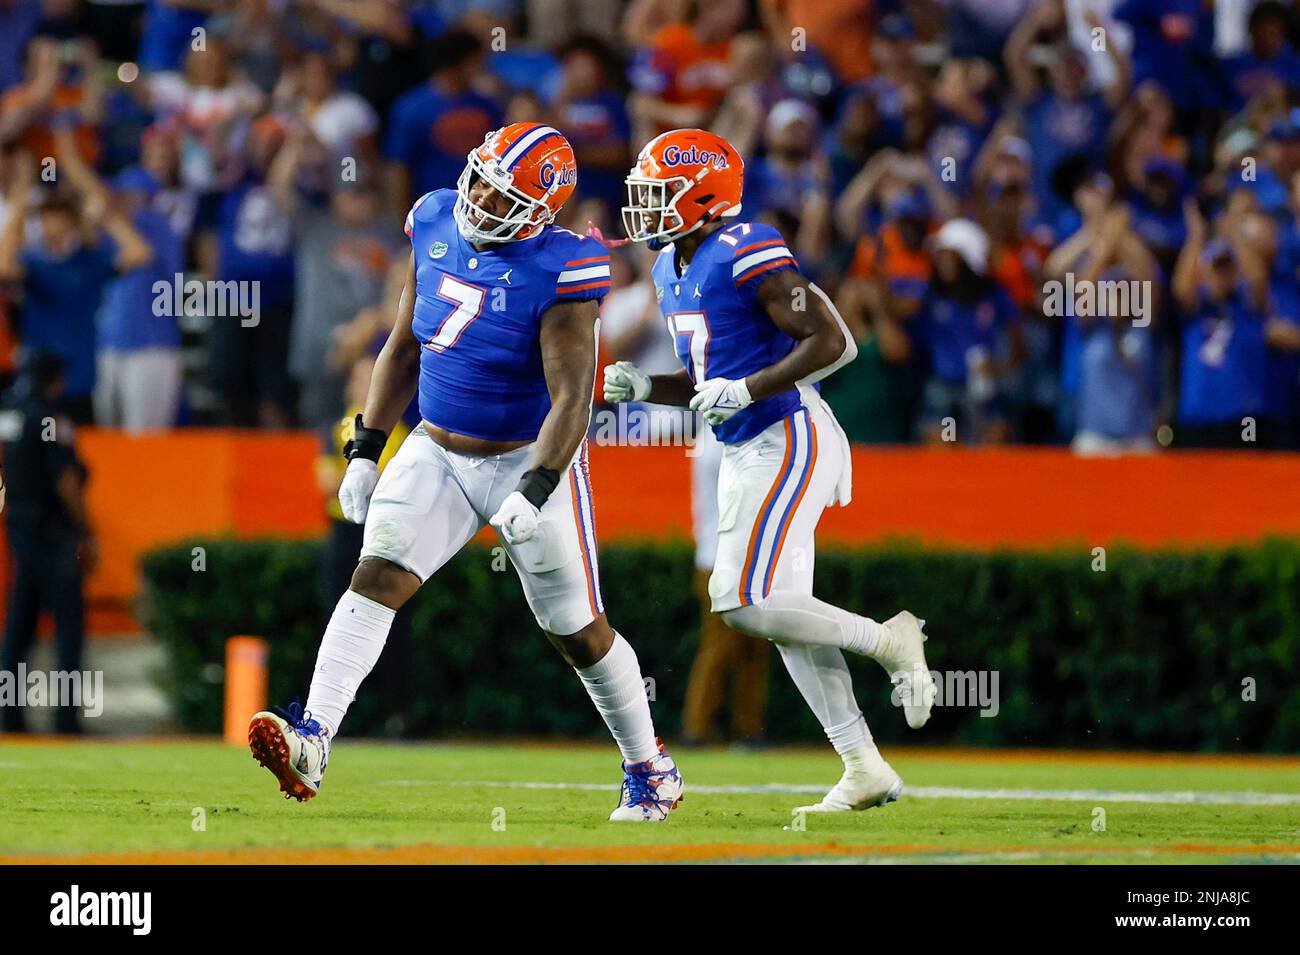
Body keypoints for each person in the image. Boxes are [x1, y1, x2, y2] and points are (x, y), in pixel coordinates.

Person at [249, 123, 684, 822]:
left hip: (528, 454)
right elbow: (402, 346)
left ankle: (649, 766)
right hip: (436, 449)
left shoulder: (562, 268)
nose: (481, 196)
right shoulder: (431, 219)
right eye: (480, 177)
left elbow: (574, 397)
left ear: (542, 210)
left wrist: (536, 487)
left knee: (576, 627)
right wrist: (366, 447)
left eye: (502, 191)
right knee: (378, 573)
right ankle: (314, 738)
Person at [604, 128, 935, 813]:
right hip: (743, 444)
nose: (647, 206)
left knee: (742, 600)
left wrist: (750, 390)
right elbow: (709, 379)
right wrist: (648, 386)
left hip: (788, 434)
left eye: (661, 192)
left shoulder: (744, 244)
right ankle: (863, 765)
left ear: (703, 194)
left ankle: (890, 640)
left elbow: (833, 341)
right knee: (784, 614)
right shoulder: (671, 266)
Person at [0, 352, 94, 734]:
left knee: (19, 626)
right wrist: (85, 531)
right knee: (68, 625)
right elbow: (66, 481)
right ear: (54, 378)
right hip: (55, 535)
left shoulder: (10, 413)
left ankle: (9, 716)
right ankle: (66, 718)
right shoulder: (52, 419)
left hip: (19, 531)